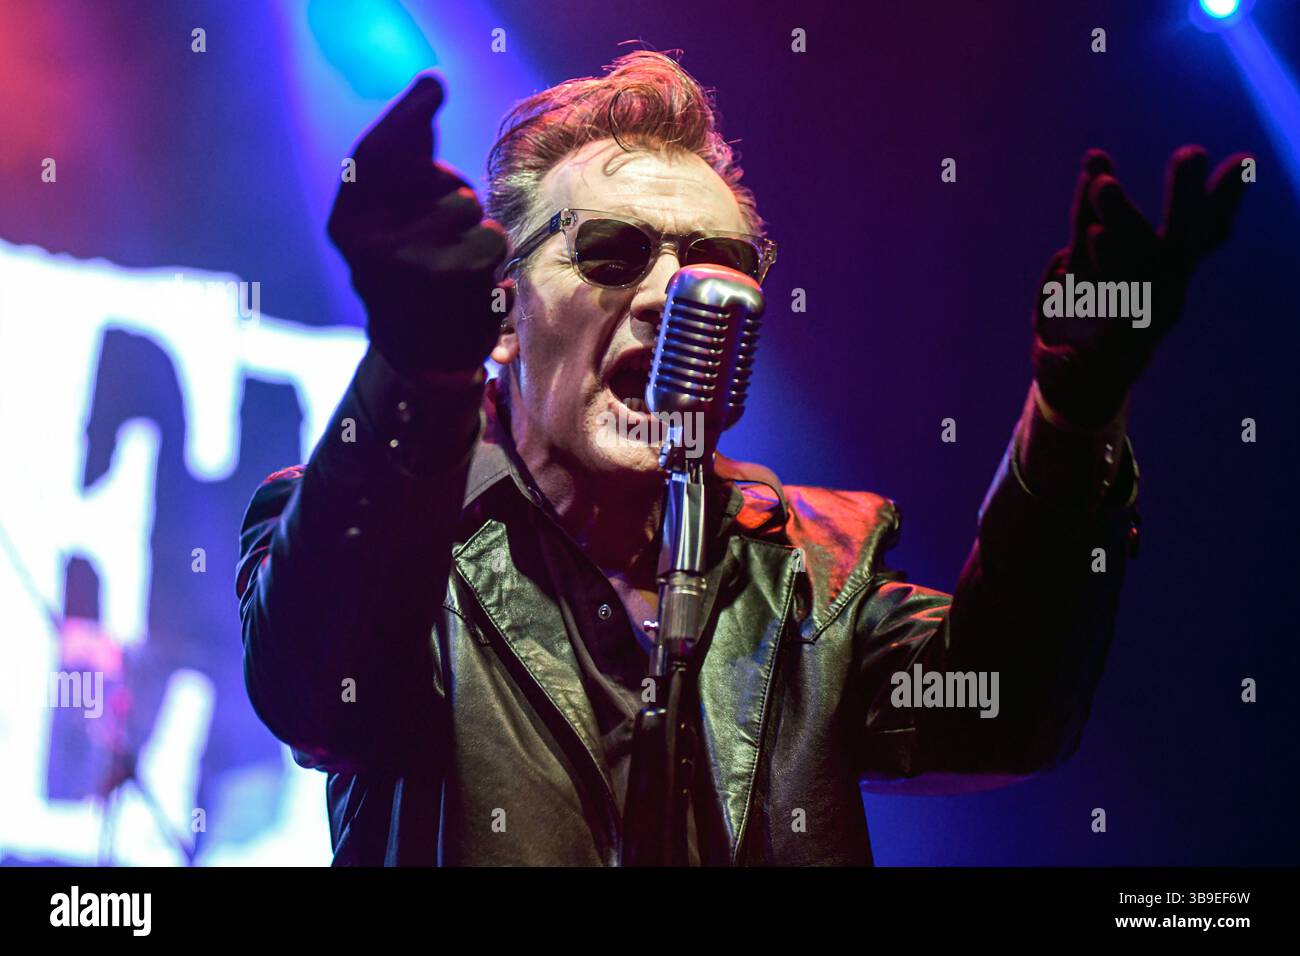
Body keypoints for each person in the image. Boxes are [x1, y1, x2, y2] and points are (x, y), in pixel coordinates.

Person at [235, 51, 1249, 865]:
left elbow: (1006, 707)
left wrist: (1073, 412)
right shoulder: (395, 539)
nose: (672, 295)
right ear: (504, 310)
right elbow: (318, 685)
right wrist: (417, 363)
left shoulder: (813, 569)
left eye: (714, 263)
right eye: (612, 253)